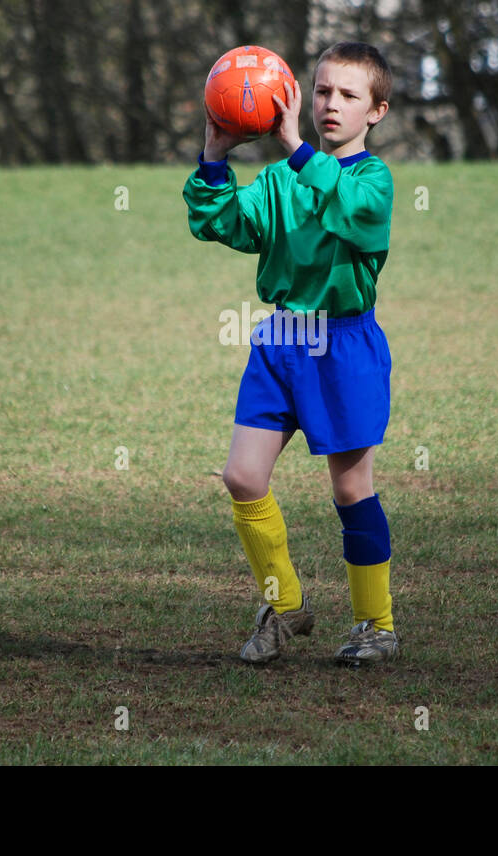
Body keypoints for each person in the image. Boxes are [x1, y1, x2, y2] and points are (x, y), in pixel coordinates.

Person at [182, 42, 398, 666]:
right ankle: (286, 604)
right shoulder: (280, 179)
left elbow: (349, 212)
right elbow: (219, 225)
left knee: (352, 489)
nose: (332, 105)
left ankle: (376, 627)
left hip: (344, 345)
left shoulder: (372, 181)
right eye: (323, 91)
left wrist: (298, 149)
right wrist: (215, 156)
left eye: (349, 96)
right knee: (242, 477)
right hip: (281, 342)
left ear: (376, 111)